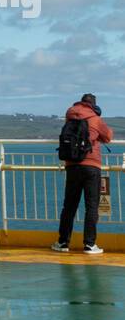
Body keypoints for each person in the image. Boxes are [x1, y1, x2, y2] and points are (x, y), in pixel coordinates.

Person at [52, 93, 113, 255]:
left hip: (72, 165)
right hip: (91, 166)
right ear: (94, 106)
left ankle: (63, 242)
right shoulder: (95, 118)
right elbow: (108, 137)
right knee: (91, 206)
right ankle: (89, 244)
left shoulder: (70, 115)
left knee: (69, 206)